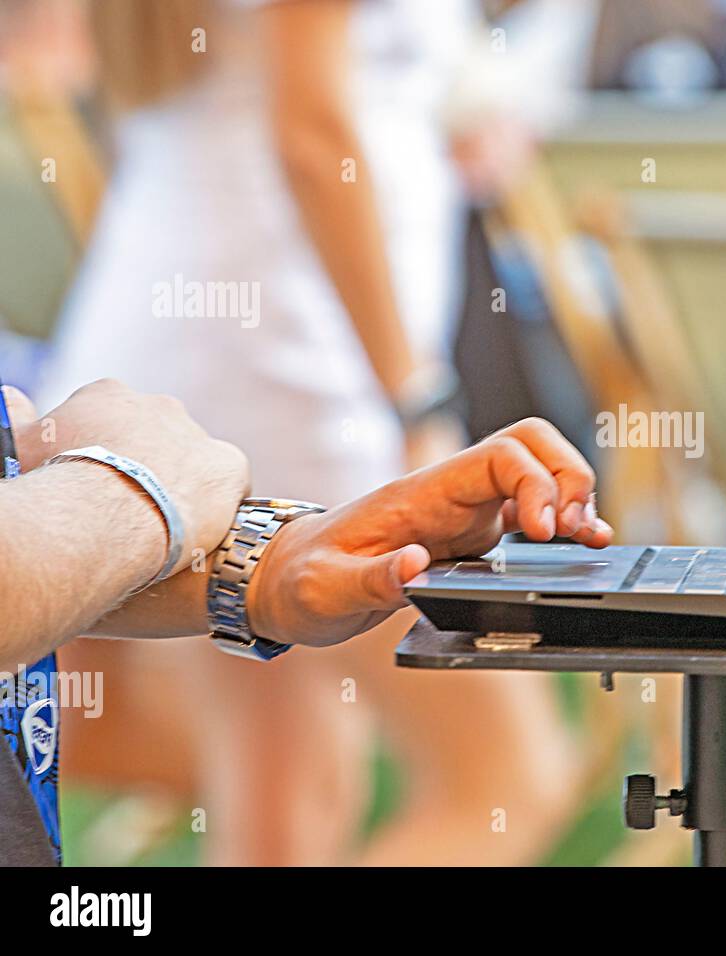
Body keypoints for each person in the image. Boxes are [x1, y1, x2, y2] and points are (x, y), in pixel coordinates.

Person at [37, 0, 601, 864]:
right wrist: (414, 396)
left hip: (169, 340)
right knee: (502, 778)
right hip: (293, 363)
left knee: (285, 799)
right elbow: (309, 132)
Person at [0, 378, 611, 866]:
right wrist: (127, 485)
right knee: (495, 784)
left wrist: (265, 567)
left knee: (287, 813)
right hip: (290, 420)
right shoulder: (144, 475)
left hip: (214, 444)